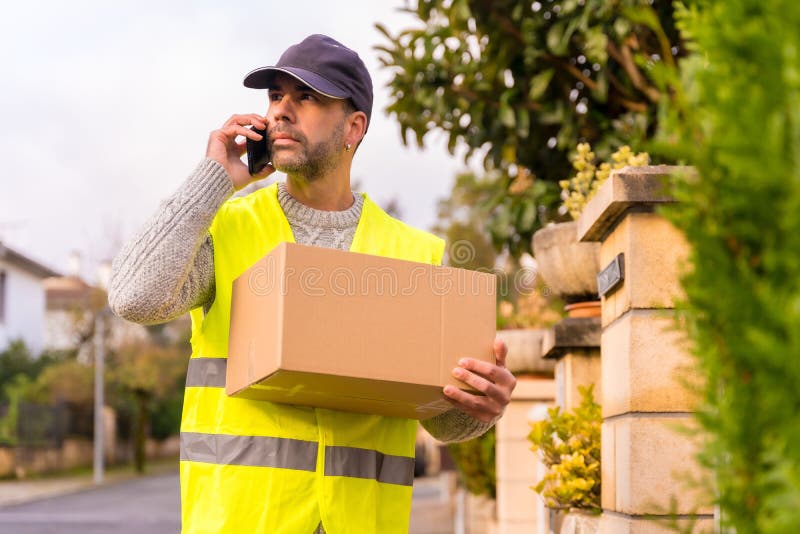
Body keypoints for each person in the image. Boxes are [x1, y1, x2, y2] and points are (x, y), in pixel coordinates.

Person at [109, 34, 516, 534]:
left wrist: (480, 407)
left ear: (354, 126)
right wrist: (214, 178)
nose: (281, 110)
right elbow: (133, 297)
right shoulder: (228, 227)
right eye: (276, 96)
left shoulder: (417, 255)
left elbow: (437, 417)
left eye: (306, 97)